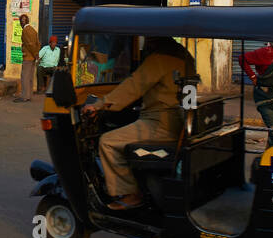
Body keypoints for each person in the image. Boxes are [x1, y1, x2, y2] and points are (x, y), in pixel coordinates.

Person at [81, 36, 194, 210]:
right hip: (181, 122)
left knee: (107, 142)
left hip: (160, 123)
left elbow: (133, 87)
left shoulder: (158, 59)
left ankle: (131, 194)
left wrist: (98, 105)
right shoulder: (185, 56)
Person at [241, 42, 273, 144]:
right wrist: (252, 76)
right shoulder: (265, 52)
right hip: (265, 99)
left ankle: (269, 155)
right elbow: (242, 58)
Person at [14, 14, 40, 102]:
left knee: (25, 77)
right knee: (30, 77)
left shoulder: (25, 30)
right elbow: (37, 43)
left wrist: (35, 54)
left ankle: (24, 96)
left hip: (28, 57)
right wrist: (36, 55)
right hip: (32, 57)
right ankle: (29, 96)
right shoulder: (33, 30)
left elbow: (30, 44)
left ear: (22, 22)